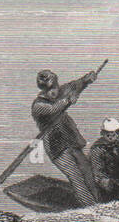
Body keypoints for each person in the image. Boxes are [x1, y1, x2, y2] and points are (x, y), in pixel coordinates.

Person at [31, 66, 102, 207]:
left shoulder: (62, 91)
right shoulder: (38, 105)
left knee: (88, 171)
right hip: (56, 147)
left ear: (57, 84)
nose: (52, 93)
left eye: (54, 88)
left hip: (71, 140)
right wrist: (67, 100)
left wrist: (87, 79)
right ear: (42, 90)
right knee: (76, 177)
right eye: (48, 90)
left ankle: (101, 203)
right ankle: (92, 208)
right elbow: (53, 109)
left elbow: (76, 84)